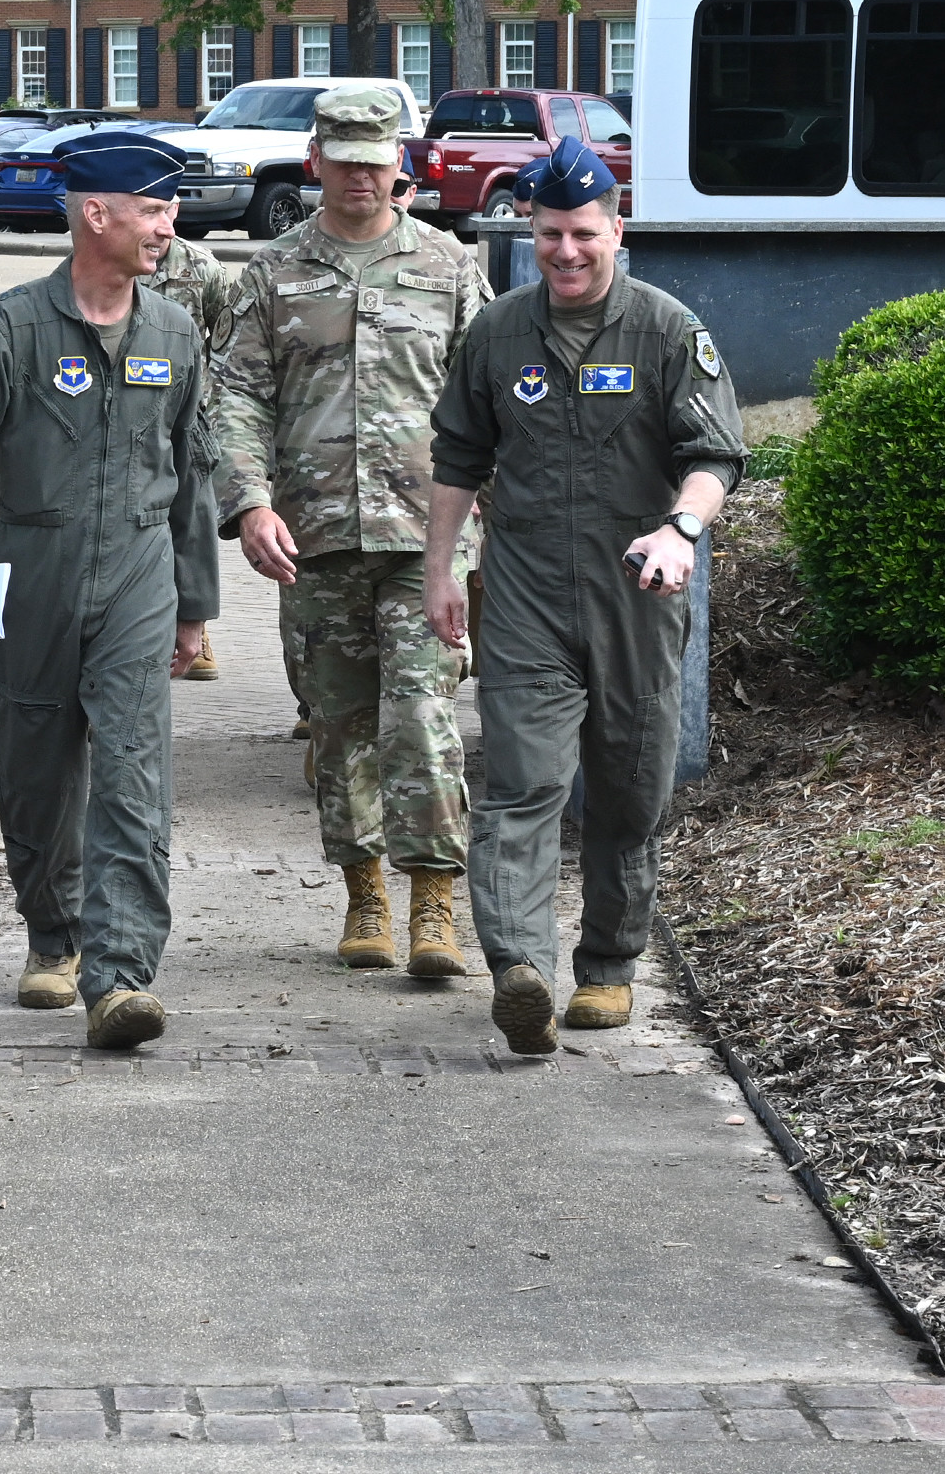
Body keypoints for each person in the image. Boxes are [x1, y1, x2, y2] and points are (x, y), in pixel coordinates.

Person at [423, 134, 745, 1054]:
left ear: (616, 229)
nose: (566, 252)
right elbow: (458, 457)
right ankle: (521, 968)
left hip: (636, 596)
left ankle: (606, 965)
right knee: (523, 784)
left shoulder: (668, 330)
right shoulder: (497, 332)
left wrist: (681, 531)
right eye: (551, 235)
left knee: (626, 794)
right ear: (531, 229)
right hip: (524, 595)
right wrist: (441, 571)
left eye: (584, 236)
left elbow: (716, 456)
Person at [0, 132, 220, 1049]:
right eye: (156, 211)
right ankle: (52, 933)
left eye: (171, 211)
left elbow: (191, 472)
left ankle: (120, 973)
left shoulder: (174, 330)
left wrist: (197, 604)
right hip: (26, 573)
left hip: (136, 575)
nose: (171, 228)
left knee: (133, 770)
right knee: (34, 772)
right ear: (99, 214)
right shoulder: (10, 326)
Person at [213, 83, 490, 976]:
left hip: (428, 541)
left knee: (421, 718)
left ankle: (435, 904)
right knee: (339, 725)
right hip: (316, 538)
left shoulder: (449, 269)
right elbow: (236, 398)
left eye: (377, 162)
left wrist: (493, 505)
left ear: (399, 166)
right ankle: (364, 892)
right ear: (316, 162)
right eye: (346, 161)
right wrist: (250, 504)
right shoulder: (275, 274)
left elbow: (488, 402)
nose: (361, 177)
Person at [141, 234, 231, 683]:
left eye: (170, 207)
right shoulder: (113, 257)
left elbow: (231, 338)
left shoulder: (202, 268)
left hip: (190, 414)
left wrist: (209, 396)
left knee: (194, 519)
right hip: (136, 413)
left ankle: (196, 623)